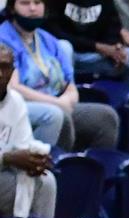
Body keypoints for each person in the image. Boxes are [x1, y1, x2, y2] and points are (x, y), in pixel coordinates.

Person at [0, 0, 115, 149]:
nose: (32, 8)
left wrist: (68, 101)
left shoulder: (49, 40)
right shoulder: (4, 39)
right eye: (25, 3)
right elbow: (13, 88)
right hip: (18, 106)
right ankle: (40, 168)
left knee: (105, 117)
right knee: (53, 115)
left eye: (37, 2)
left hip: (58, 104)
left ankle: (84, 169)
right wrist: (56, 103)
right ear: (12, 9)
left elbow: (70, 86)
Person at [47, 0, 129, 93]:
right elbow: (55, 33)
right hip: (67, 57)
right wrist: (97, 46)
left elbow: (113, 27)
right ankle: (67, 101)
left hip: (96, 58)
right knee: (64, 47)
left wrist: (116, 47)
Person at [0, 46, 51, 218]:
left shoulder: (16, 102)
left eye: (4, 67)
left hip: (6, 171)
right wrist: (6, 158)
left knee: (47, 180)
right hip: (4, 169)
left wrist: (34, 160)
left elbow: (24, 144)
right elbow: (10, 157)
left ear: (12, 71)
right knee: (16, 187)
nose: (0, 74)